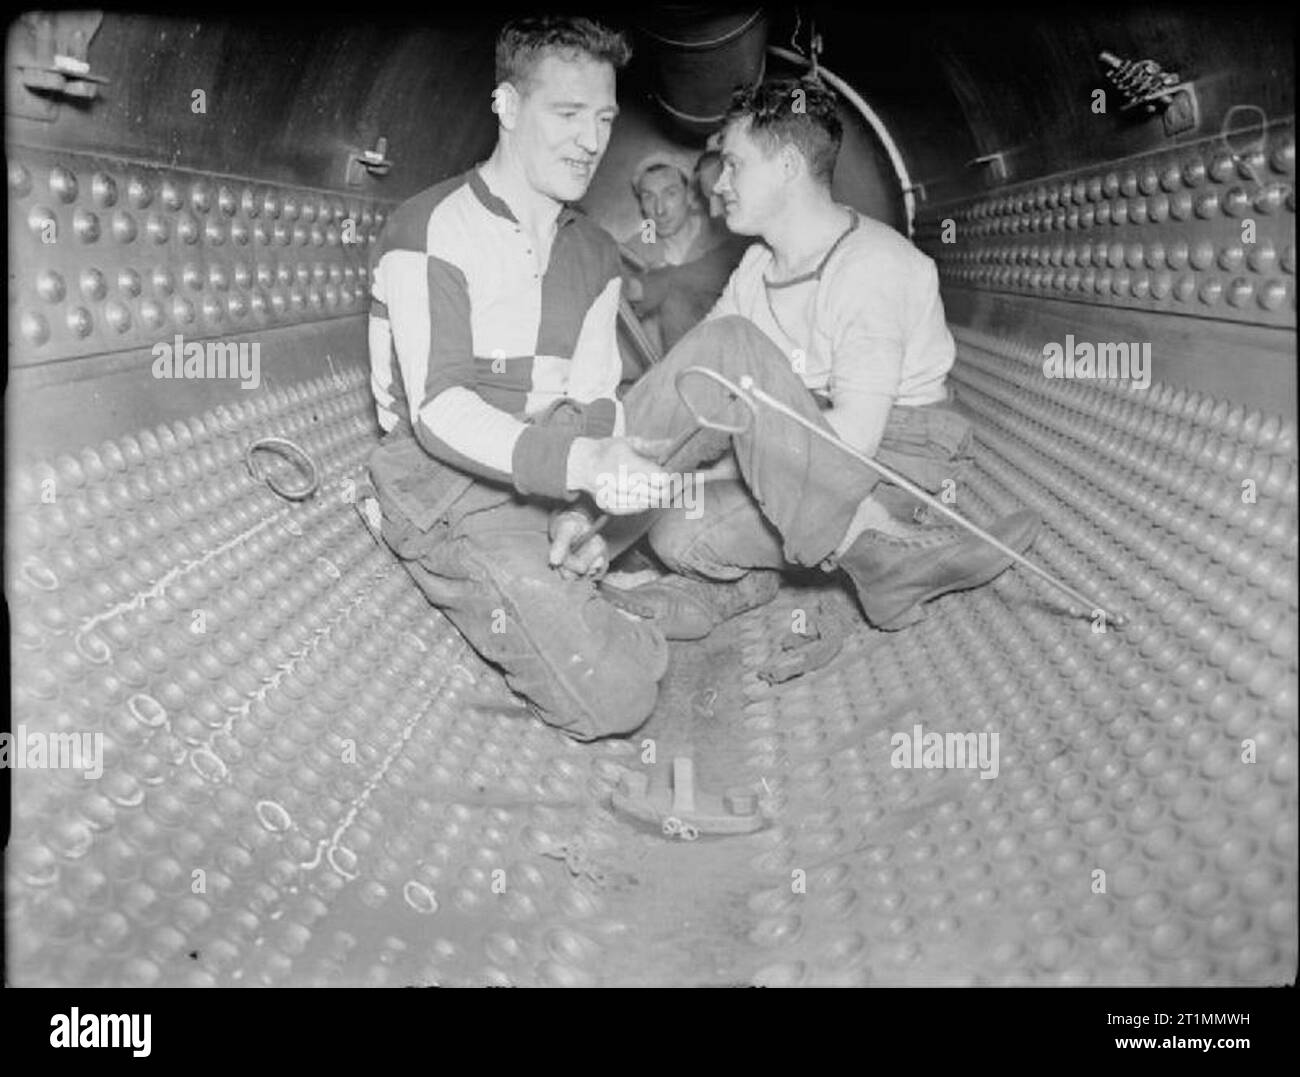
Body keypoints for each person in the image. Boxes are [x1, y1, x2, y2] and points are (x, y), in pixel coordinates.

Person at [601, 77, 1040, 640]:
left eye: (733, 165)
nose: (720, 187)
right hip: (801, 448)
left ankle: (879, 550)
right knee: (672, 531)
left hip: (894, 460)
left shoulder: (872, 266)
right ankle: (784, 576)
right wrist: (680, 466)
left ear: (786, 166)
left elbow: (855, 437)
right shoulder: (759, 265)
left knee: (721, 365)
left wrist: (708, 461)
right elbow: (690, 394)